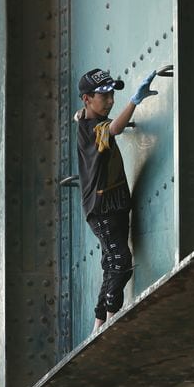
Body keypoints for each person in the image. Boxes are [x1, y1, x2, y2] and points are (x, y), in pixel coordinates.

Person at [74, 67, 162, 331]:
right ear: (87, 98)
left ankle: (99, 323)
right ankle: (111, 321)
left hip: (115, 202)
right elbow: (113, 129)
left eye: (112, 94)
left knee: (111, 264)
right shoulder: (91, 129)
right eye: (104, 96)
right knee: (121, 264)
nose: (110, 100)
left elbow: (88, 117)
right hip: (102, 207)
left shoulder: (85, 117)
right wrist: (134, 102)